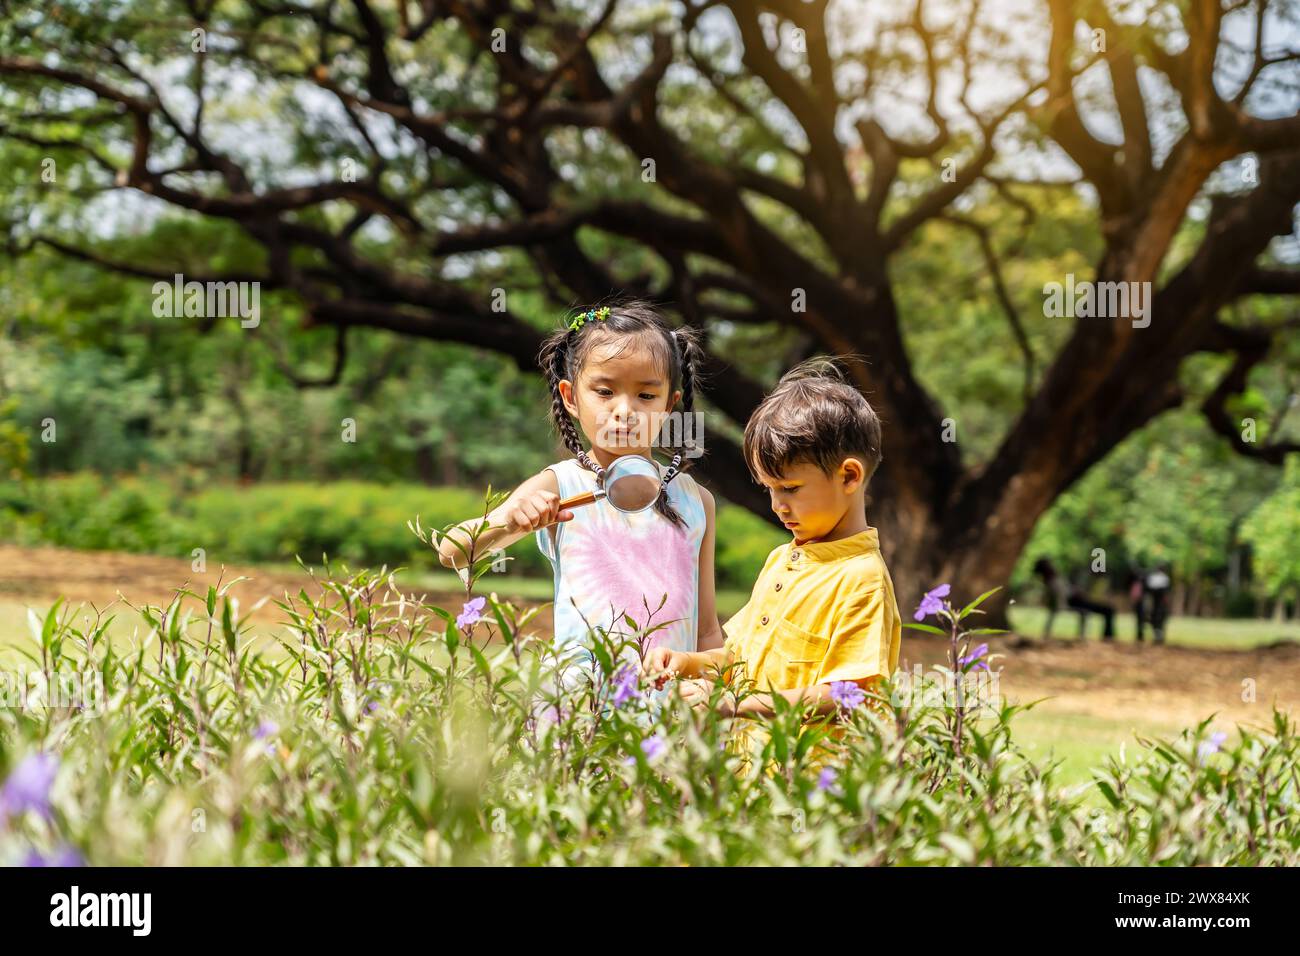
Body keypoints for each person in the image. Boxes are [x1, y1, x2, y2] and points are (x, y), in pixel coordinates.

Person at [438, 299, 724, 681]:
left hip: (669, 712)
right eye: (605, 392)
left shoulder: (696, 501)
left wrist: (714, 697)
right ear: (571, 397)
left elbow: (706, 630)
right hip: (582, 705)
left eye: (645, 395)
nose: (624, 410)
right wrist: (510, 521)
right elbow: (452, 552)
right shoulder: (560, 484)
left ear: (670, 405)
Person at [642, 359, 902, 767]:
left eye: (790, 488)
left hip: (816, 787)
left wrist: (734, 705)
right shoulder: (782, 561)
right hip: (758, 776)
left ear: (849, 477)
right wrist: (685, 663)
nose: (778, 505)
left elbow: (851, 693)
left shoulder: (861, 579)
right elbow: (739, 657)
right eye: (768, 488)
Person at [1032, 557, 1115, 640]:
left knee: (1108, 609)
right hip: (1074, 602)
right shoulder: (1054, 581)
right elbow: (1066, 595)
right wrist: (1077, 593)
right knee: (1108, 610)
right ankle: (1108, 637)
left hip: (1075, 601)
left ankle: (1108, 636)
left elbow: (1066, 592)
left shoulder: (1053, 580)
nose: (1054, 566)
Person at [1135, 563, 1172, 644]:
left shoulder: (1151, 577)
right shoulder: (1165, 578)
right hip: (1157, 603)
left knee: (1146, 617)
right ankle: (1158, 637)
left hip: (1150, 601)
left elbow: (1145, 590)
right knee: (1158, 620)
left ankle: (1141, 635)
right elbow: (1165, 593)